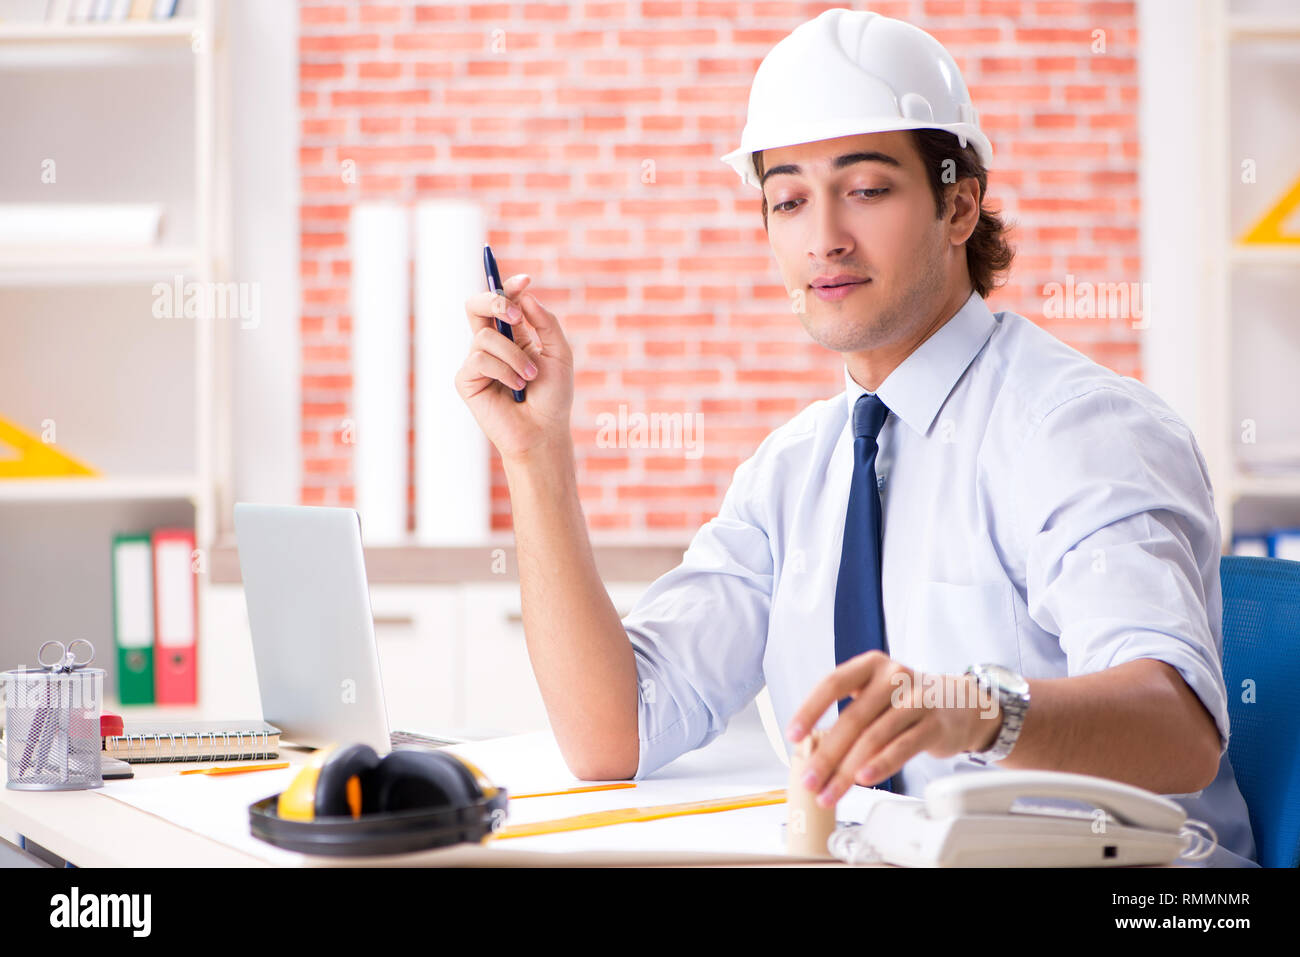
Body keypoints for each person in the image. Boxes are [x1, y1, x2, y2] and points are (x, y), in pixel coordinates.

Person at [455, 8, 1257, 866]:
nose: (825, 237)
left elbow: (1180, 731)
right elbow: (614, 731)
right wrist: (536, 458)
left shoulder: (1080, 429)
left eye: (867, 188)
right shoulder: (793, 471)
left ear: (959, 205)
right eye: (789, 200)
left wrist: (974, 708)